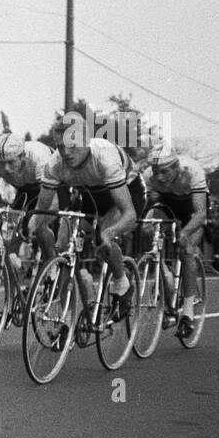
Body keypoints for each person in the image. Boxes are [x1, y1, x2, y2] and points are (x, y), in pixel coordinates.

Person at [30, 122, 143, 324]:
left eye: (72, 146)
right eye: (60, 146)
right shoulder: (55, 163)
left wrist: (109, 233)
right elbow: (43, 207)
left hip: (124, 191)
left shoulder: (105, 157)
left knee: (102, 236)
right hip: (90, 195)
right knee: (63, 246)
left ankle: (121, 282)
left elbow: (129, 214)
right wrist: (31, 226)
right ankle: (77, 310)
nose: (66, 152)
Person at [143, 145, 208, 335]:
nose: (160, 177)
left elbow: (200, 213)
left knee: (186, 249)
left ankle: (187, 313)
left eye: (164, 172)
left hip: (191, 208)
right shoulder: (148, 176)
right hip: (167, 203)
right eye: (156, 172)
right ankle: (163, 272)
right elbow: (142, 207)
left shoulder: (193, 171)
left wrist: (185, 232)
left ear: (176, 166)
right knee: (147, 229)